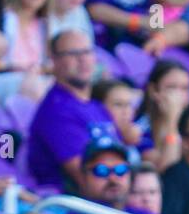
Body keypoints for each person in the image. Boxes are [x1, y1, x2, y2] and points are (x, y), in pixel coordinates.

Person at [25, 27, 119, 191]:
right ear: (54, 61)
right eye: (73, 54)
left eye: (87, 52)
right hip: (74, 206)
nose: (83, 59)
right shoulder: (56, 112)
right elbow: (90, 182)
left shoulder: (96, 107)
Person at [134, 59, 189, 171]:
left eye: (185, 89)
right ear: (153, 90)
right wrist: (173, 121)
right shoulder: (141, 129)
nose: (178, 96)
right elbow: (168, 169)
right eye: (172, 88)